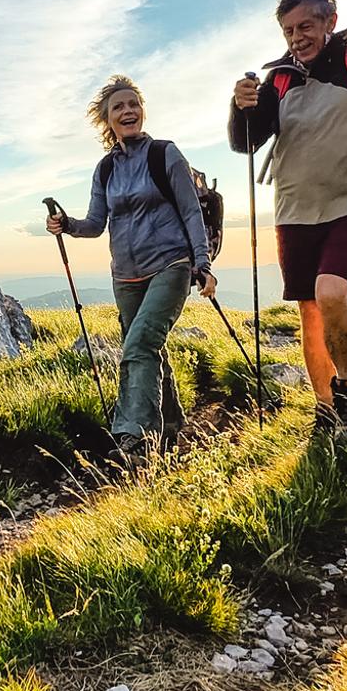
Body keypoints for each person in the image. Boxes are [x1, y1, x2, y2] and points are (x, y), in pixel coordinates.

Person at [229, 0, 347, 445]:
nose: (297, 37)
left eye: (306, 26)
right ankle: (326, 411)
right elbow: (246, 142)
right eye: (289, 30)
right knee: (311, 308)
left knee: (331, 291)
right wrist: (241, 107)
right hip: (294, 207)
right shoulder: (280, 79)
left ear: (330, 20)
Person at [48, 76, 218, 461]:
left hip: (171, 265)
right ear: (107, 120)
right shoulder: (105, 168)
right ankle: (171, 429)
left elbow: (191, 212)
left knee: (139, 344)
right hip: (125, 275)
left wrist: (202, 263)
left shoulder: (165, 154)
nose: (128, 111)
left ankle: (135, 437)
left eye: (134, 104)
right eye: (118, 107)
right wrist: (67, 224)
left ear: (142, 110)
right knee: (148, 348)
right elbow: (95, 224)